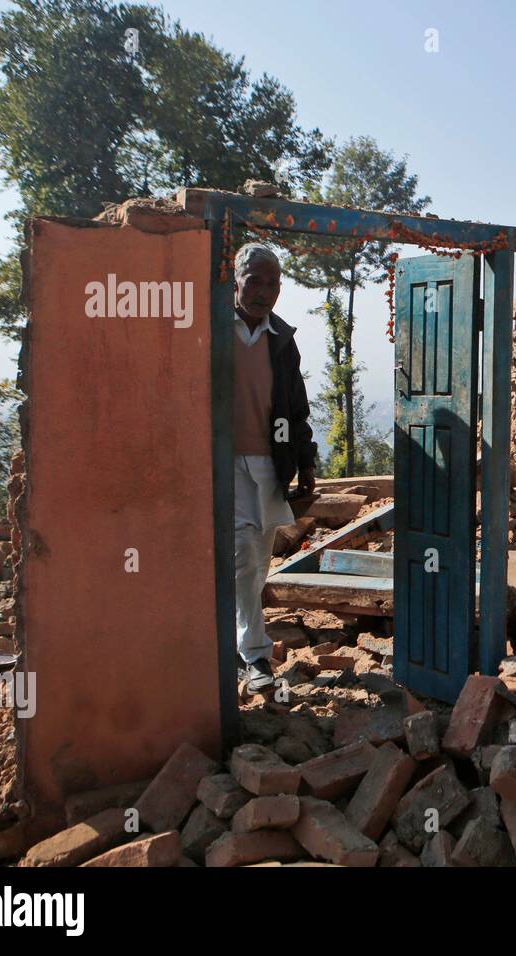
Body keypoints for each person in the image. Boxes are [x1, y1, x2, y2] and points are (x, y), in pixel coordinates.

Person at [231, 242, 316, 691]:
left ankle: (239, 648)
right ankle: (255, 656)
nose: (265, 292)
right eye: (255, 281)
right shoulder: (212, 327)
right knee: (243, 552)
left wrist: (305, 464)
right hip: (223, 463)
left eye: (273, 283)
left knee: (258, 559)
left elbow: (295, 408)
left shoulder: (281, 338)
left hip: (268, 461)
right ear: (235, 281)